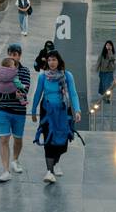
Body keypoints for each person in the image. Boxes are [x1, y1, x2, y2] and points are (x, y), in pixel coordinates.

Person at [31, 50, 80, 184]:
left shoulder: (67, 75)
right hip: (47, 111)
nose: (52, 62)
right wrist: (33, 110)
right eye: (49, 60)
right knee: (48, 139)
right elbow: (37, 94)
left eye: (54, 60)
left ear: (59, 61)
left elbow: (73, 94)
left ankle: (56, 162)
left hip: (64, 111)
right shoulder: (43, 77)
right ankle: (49, 171)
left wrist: (77, 110)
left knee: (61, 140)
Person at [0, 46, 31, 182]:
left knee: (18, 139)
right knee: (4, 139)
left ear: (19, 56)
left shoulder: (24, 71)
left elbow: (24, 91)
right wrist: (12, 95)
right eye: (10, 54)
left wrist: (7, 95)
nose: (12, 56)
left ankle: (15, 159)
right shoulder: (1, 71)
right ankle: (5, 170)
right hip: (3, 110)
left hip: (19, 111)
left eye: (15, 54)